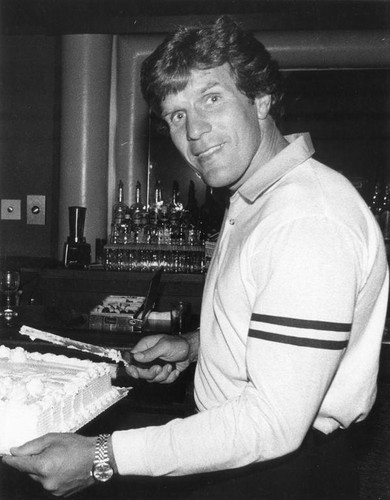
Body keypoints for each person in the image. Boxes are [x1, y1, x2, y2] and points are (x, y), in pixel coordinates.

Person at [3, 15, 389, 500]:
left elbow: (271, 423)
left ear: (261, 99)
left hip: (280, 470)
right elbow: (268, 327)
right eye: (176, 115)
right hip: (238, 451)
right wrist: (194, 345)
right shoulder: (257, 196)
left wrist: (101, 457)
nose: (196, 131)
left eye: (211, 98)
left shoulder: (306, 219)